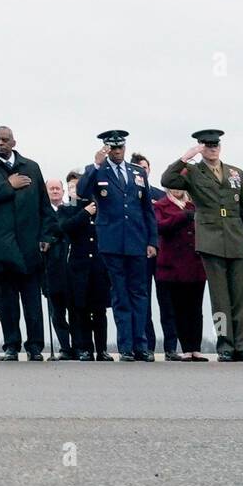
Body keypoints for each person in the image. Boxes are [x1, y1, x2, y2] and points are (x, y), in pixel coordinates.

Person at [160, 130, 243, 362]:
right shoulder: (193, 172)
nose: (212, 148)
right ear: (201, 148)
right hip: (211, 241)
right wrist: (186, 157)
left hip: (237, 241)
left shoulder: (236, 173)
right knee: (220, 299)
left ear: (220, 147)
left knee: (240, 298)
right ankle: (225, 345)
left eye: (215, 145)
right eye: (207, 145)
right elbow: (167, 180)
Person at [0, 126, 56, 361]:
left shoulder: (31, 167)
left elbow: (44, 206)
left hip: (30, 246)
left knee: (32, 301)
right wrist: (8, 185)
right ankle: (11, 345)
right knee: (7, 302)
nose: (0, 143)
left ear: (13, 142)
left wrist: (46, 237)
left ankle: (35, 346)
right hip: (1, 247)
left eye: (5, 140)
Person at [78, 130, 159, 361]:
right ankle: (126, 346)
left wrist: (152, 240)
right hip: (112, 243)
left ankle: (141, 345)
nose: (116, 151)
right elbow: (82, 192)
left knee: (140, 293)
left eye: (119, 147)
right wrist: (95, 164)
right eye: (111, 148)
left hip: (137, 241)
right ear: (105, 149)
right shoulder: (96, 171)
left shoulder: (138, 172)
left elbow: (147, 210)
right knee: (120, 295)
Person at [59, 172, 113, 360]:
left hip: (98, 265)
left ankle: (101, 349)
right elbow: (64, 227)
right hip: (78, 266)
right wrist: (84, 213)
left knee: (99, 310)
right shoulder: (68, 209)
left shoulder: (100, 206)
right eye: (72, 187)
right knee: (80, 309)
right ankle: (85, 348)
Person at [153, 187, 209, 361]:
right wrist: (182, 216)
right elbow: (159, 226)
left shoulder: (194, 205)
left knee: (195, 308)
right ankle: (185, 347)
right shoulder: (161, 205)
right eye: (173, 186)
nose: (177, 189)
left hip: (196, 263)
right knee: (179, 308)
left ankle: (196, 347)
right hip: (173, 266)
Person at [133, 152, 177, 358]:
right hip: (139, 254)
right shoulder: (128, 196)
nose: (143, 171)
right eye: (138, 167)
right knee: (144, 302)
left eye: (145, 167)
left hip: (162, 255)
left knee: (167, 302)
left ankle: (171, 347)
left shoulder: (161, 195)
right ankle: (147, 346)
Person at [42, 177, 75, 359]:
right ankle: (64, 347)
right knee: (57, 312)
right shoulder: (42, 214)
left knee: (76, 310)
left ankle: (79, 345)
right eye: (51, 189)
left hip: (71, 268)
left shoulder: (71, 211)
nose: (55, 191)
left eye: (57, 188)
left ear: (62, 191)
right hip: (51, 269)